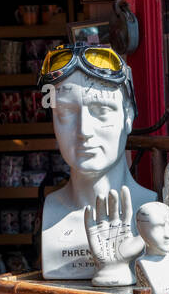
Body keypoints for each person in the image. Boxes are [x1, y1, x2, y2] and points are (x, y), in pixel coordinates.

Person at [39, 44, 151, 280]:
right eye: (66, 113)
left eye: (101, 110)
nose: (84, 131)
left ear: (128, 116)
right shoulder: (52, 214)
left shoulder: (151, 213)